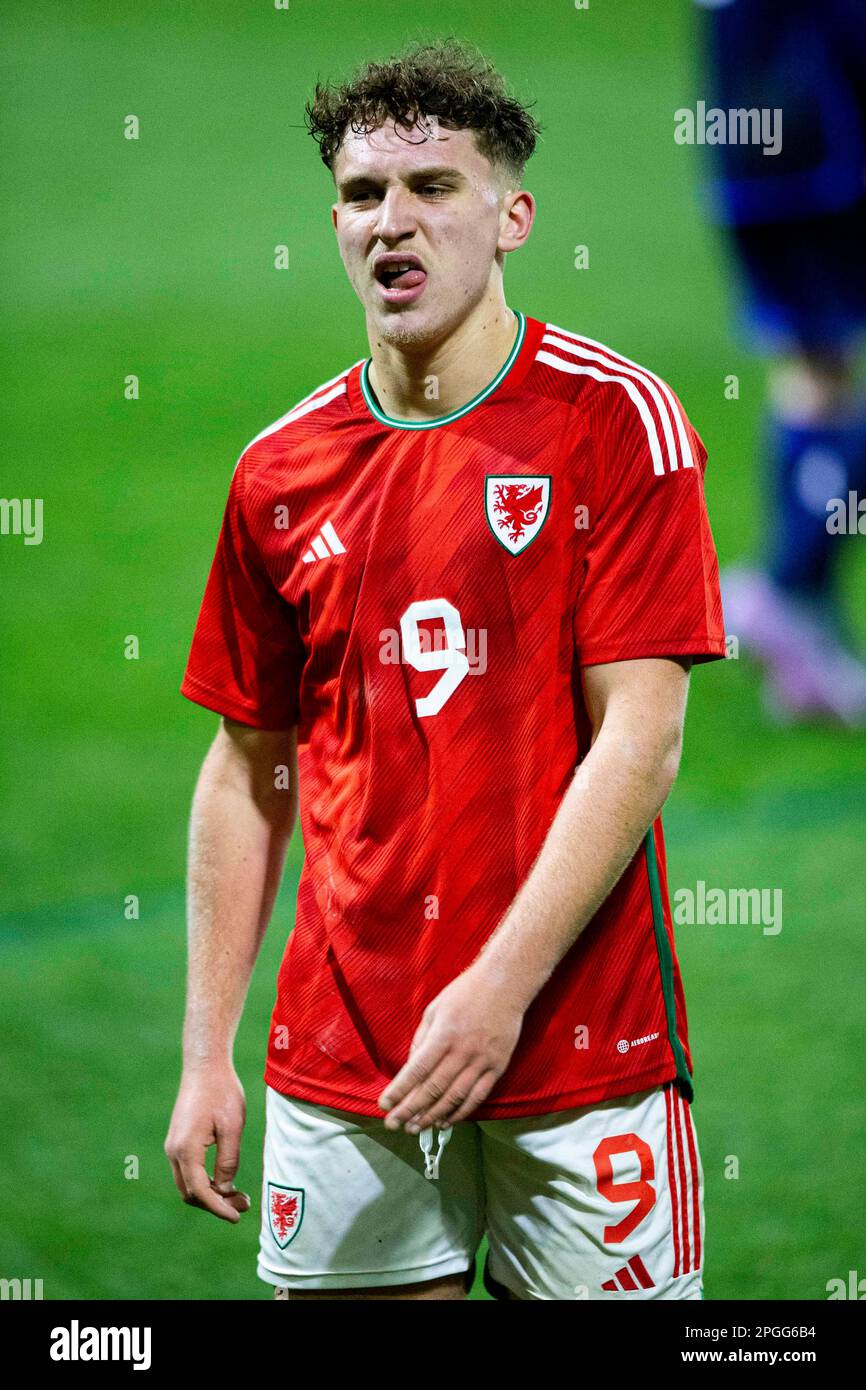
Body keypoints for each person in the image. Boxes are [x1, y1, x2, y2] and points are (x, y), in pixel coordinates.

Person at [165, 38, 726, 1301]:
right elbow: (244, 764)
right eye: (364, 194)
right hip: (343, 1048)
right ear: (334, 222)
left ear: (511, 216)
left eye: (432, 186)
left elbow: (639, 739)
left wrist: (495, 993)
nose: (392, 222)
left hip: (580, 1043)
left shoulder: (613, 423)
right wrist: (209, 1051)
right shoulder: (277, 471)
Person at [698, 0, 866, 724]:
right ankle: (787, 582)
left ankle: (806, 633)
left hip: (751, 159)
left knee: (816, 375)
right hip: (833, 140)